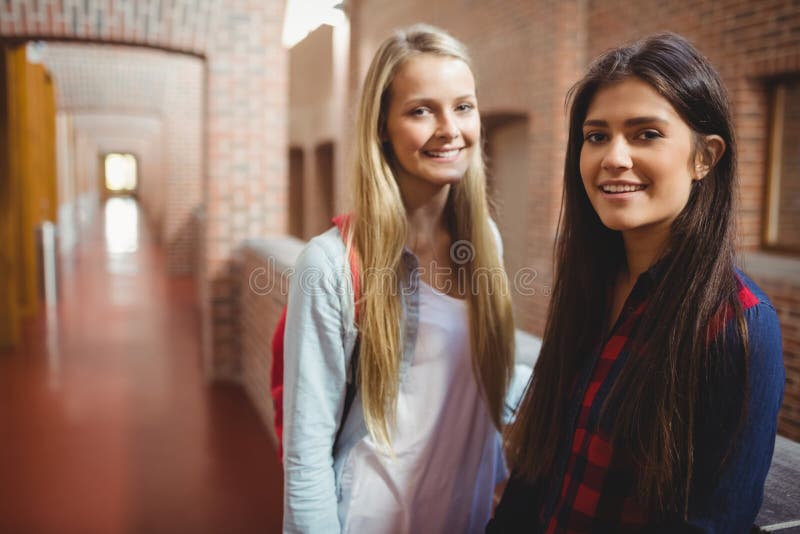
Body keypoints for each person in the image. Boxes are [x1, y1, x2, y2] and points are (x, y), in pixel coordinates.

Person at [488, 32, 784, 532]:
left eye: (646, 133)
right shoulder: (590, 283)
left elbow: (710, 522)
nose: (614, 157)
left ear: (704, 158)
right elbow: (537, 473)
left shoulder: (736, 326)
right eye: (596, 135)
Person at [283, 24, 524, 534]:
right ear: (381, 128)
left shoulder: (485, 242)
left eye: (463, 106)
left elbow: (480, 379)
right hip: (372, 516)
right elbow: (304, 457)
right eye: (421, 110)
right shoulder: (328, 265)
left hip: (471, 514)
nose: (449, 129)